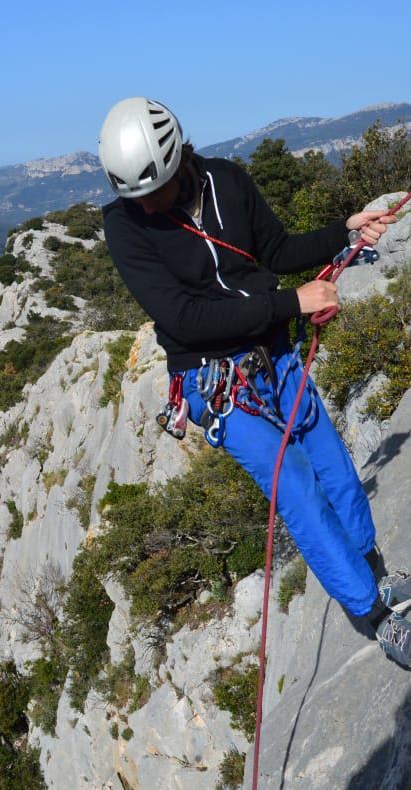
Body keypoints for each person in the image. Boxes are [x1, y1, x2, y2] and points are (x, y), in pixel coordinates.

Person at [98, 96, 410, 667]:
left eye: (154, 192)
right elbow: (184, 319)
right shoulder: (124, 227)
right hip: (214, 381)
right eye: (135, 197)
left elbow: (276, 250)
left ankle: (373, 571)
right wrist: (292, 301)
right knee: (296, 487)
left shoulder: (227, 181)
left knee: (334, 465)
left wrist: (345, 231)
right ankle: (376, 617)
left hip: (273, 355)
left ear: (177, 163)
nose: (146, 207)